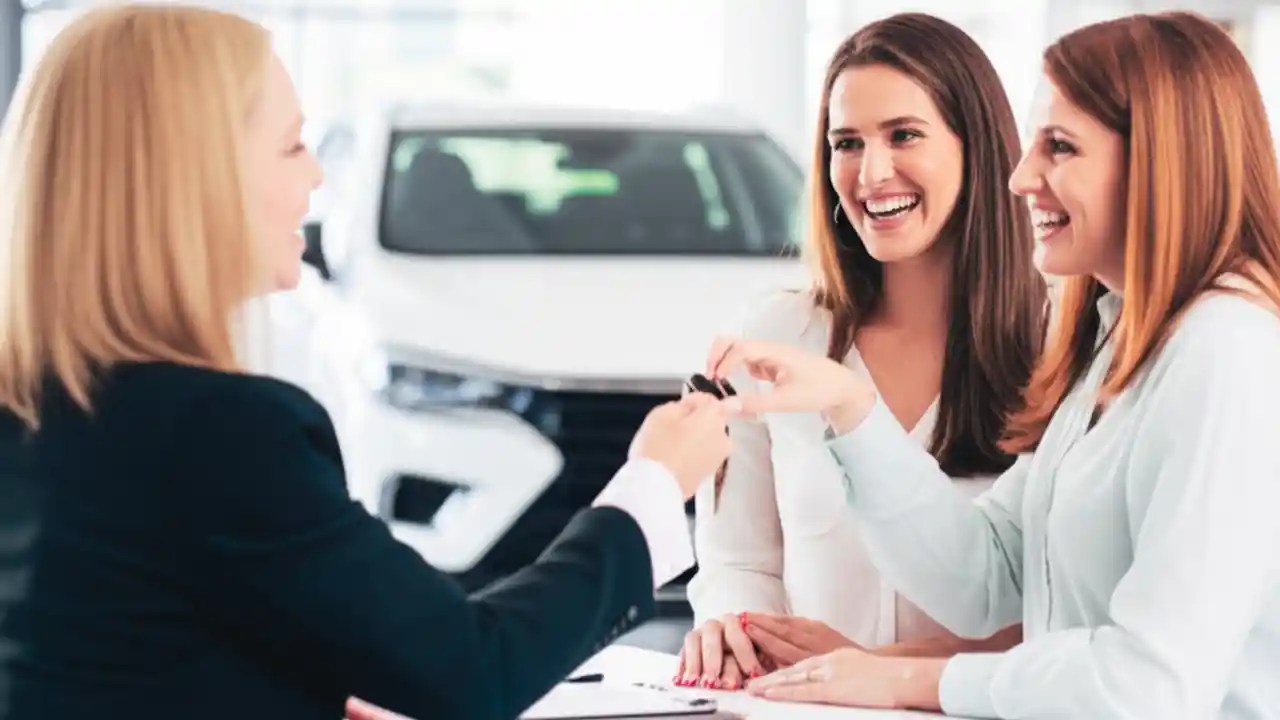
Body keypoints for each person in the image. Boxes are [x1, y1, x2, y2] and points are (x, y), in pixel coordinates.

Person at [0, 5, 728, 720]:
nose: (319, 176)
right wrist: (654, 486)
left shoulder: (31, 412)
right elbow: (476, 670)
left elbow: (125, 648)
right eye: (292, 147)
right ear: (196, 179)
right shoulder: (219, 432)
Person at [709, 11, 1280, 719]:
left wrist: (908, 681)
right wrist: (852, 409)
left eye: (1059, 147)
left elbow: (1149, 685)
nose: (1019, 177)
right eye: (847, 142)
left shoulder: (1226, 350)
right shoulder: (1113, 342)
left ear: (1165, 161)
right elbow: (983, 578)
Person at [679, 13, 1043, 690]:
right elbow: (737, 559)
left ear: (977, 147)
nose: (871, 174)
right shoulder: (778, 334)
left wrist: (877, 670)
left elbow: (1072, 618)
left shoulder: (1061, 342)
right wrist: (738, 631)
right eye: (847, 143)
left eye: (904, 135)